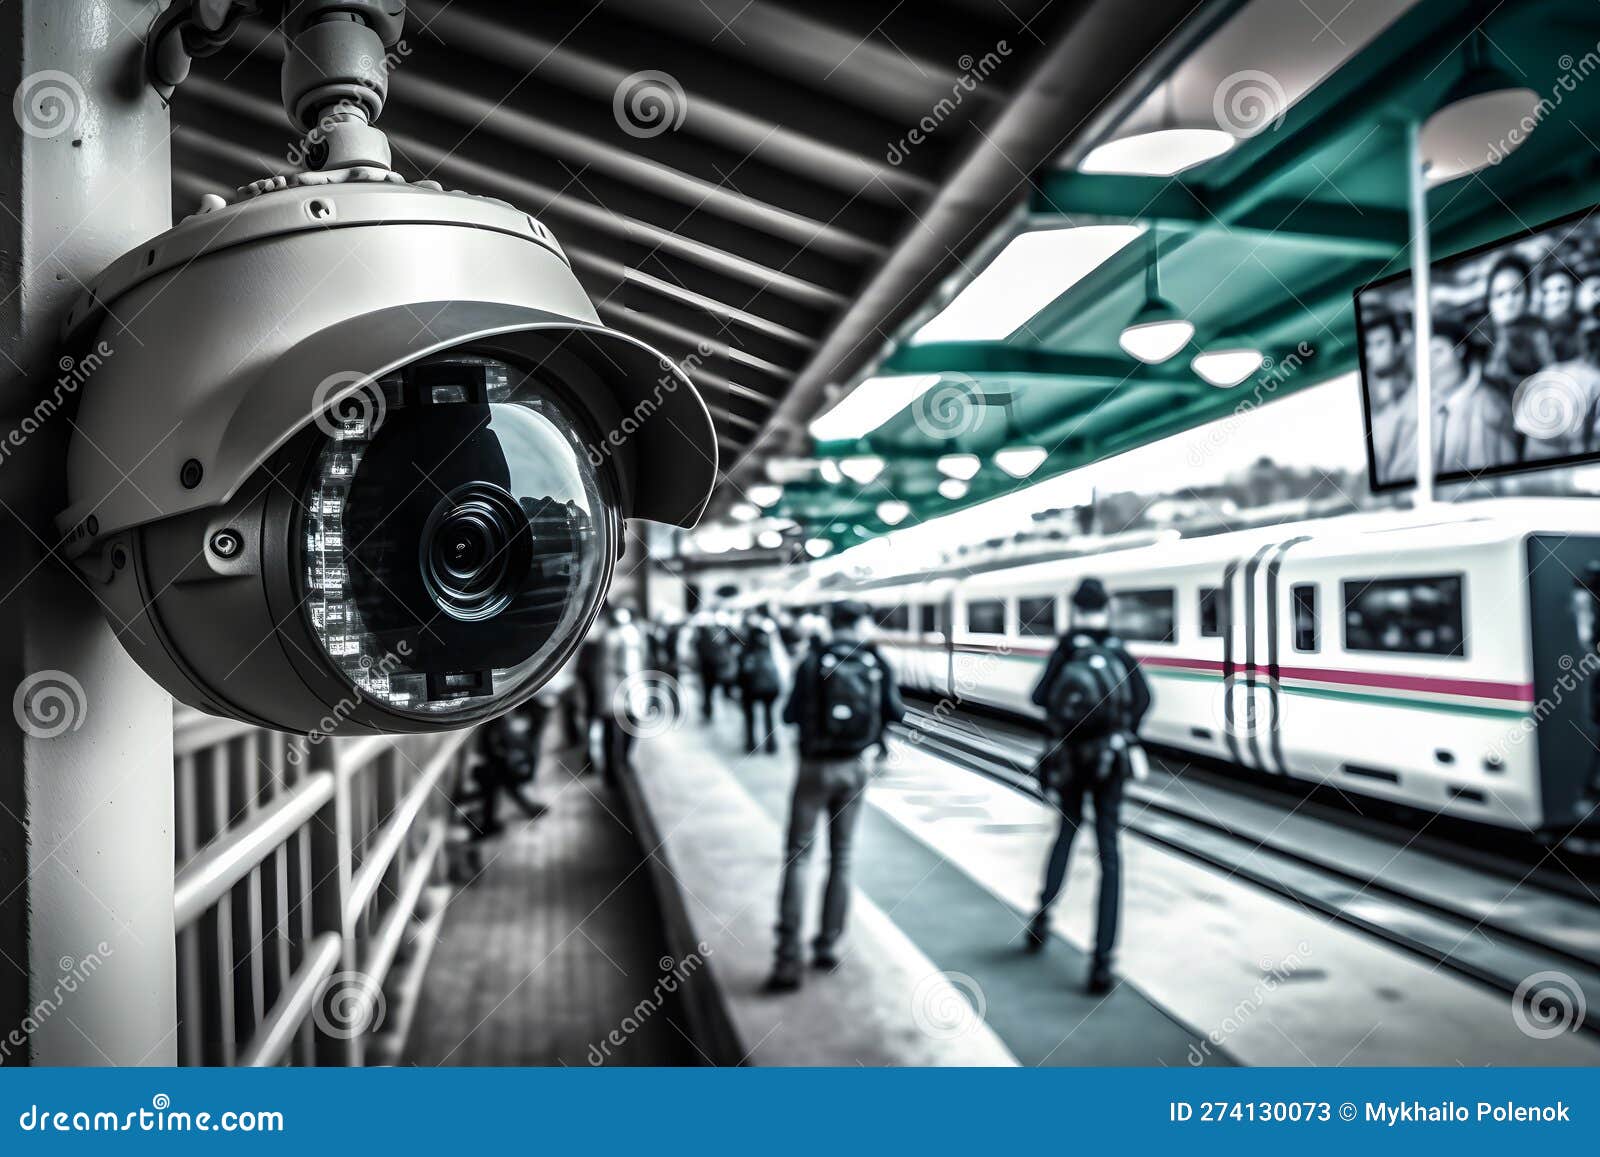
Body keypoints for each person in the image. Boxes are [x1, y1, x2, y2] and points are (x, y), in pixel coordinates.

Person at [766, 601, 906, 993]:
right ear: (860, 622)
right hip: (854, 769)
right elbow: (896, 712)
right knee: (841, 857)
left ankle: (787, 960)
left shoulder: (813, 660)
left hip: (813, 769)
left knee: (798, 857)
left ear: (830, 623)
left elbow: (790, 715)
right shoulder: (875, 661)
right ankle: (828, 944)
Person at [1025, 577, 1151, 996]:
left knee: (1065, 834)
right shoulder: (1117, 649)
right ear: (1107, 607)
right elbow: (1143, 700)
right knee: (1109, 855)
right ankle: (1102, 962)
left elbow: (1040, 697)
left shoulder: (1067, 649)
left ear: (1075, 609)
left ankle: (1042, 919)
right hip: (1109, 764)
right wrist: (1121, 731)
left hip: (1071, 762)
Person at [1481, 253, 1555, 399]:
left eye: (1516, 292)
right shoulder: (1479, 344)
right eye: (1500, 294)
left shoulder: (1543, 336)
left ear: (1527, 296)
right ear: (1489, 301)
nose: (1508, 301)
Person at [470, 702, 549, 840]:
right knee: (501, 774)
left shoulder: (497, 717)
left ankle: (490, 822)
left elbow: (504, 742)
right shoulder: (498, 717)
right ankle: (524, 808)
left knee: (502, 774)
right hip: (488, 767)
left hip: (491, 765)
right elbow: (504, 742)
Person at [595, 603, 648, 785]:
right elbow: (630, 664)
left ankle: (613, 768)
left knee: (611, 730)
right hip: (625, 687)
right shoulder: (629, 634)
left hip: (614, 688)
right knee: (627, 726)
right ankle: (620, 763)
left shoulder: (607, 635)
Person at [738, 612, 788, 754]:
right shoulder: (771, 649)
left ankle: (750, 743)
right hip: (770, 688)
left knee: (750, 716)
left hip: (750, 688)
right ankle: (771, 744)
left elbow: (741, 673)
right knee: (769, 715)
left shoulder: (746, 652)